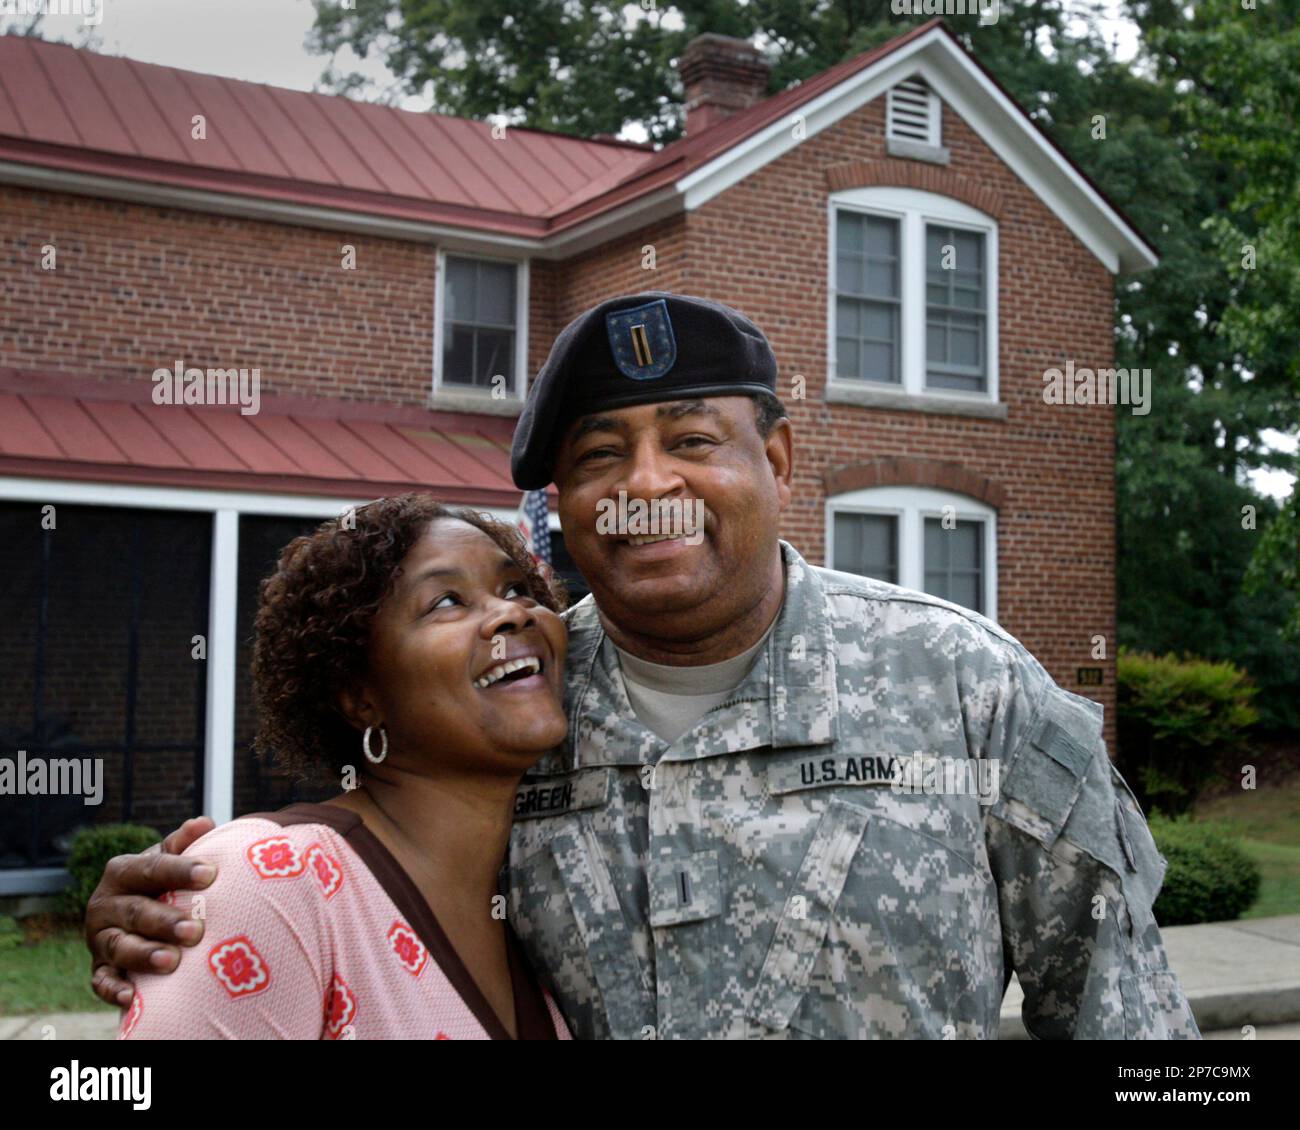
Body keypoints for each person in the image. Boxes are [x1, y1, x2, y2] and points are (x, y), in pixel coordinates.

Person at [86, 292, 1198, 1040]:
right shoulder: (514, 718)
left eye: (693, 440)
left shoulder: (967, 688)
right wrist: (183, 912)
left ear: (774, 457)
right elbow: (352, 892)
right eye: (602, 455)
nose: (647, 484)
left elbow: (1126, 1016)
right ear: (560, 503)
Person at [114, 496, 572, 1039]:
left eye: (517, 588)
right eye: (447, 601)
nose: (512, 612)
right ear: (360, 697)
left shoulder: (540, 908)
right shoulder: (268, 881)